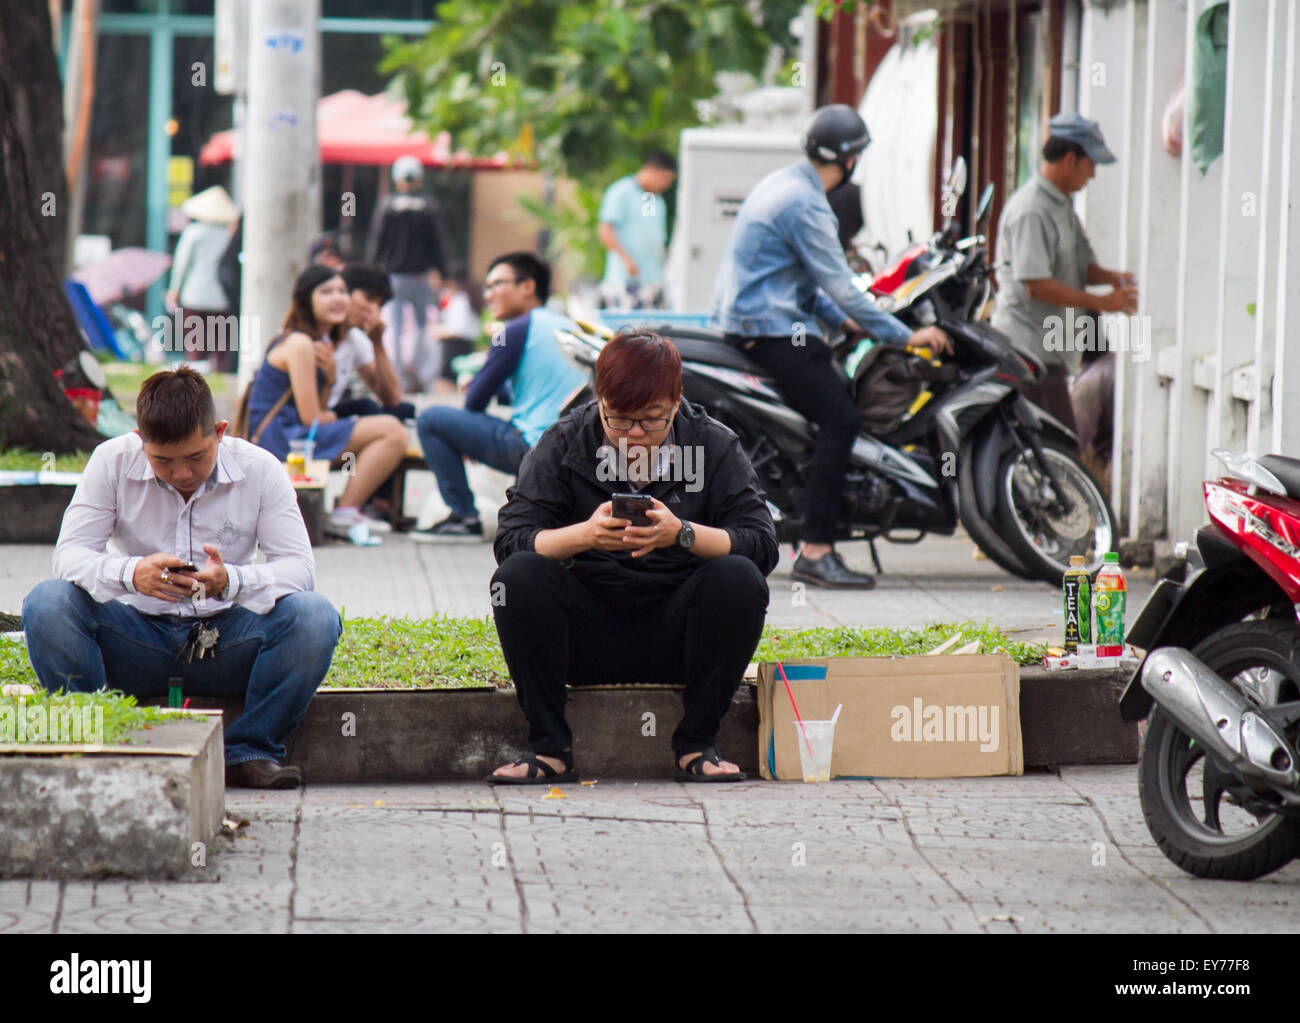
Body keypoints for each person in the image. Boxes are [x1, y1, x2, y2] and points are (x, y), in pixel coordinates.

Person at [21, 366, 341, 789]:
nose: (182, 474)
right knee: (48, 603)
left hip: (227, 643)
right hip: (134, 640)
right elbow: (69, 557)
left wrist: (231, 582)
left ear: (220, 431)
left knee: (314, 617)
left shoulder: (261, 470)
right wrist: (131, 573)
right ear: (140, 440)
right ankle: (96, 744)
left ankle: (251, 749)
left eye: (196, 457)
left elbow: (300, 569)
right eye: (163, 461)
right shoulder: (111, 461)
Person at [488, 331, 778, 784]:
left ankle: (697, 744)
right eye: (619, 421)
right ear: (599, 400)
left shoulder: (713, 444)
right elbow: (511, 540)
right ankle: (550, 749)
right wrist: (583, 536)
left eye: (652, 420)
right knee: (518, 577)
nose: (635, 436)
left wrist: (681, 534)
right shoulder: (564, 442)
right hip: (585, 635)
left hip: (681, 638)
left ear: (677, 401)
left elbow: (761, 544)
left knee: (738, 578)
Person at [711, 104, 952, 590]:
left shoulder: (784, 183)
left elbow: (804, 282)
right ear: (849, 160)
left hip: (759, 321)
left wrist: (843, 320)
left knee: (833, 397)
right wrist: (904, 336)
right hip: (770, 329)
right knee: (841, 418)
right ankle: (817, 551)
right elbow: (841, 286)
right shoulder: (807, 204)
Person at [411, 252, 585, 541]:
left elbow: (475, 402)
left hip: (531, 448)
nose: (488, 295)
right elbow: (536, 390)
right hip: (566, 451)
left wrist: (475, 386)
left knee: (431, 419)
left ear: (527, 287)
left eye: (497, 284)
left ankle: (463, 517)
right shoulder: (564, 325)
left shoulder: (513, 331)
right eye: (487, 287)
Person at [990, 112, 1138, 436]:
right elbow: (1037, 286)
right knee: (1058, 448)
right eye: (1091, 165)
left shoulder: (1060, 207)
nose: (1093, 175)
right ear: (1071, 160)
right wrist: (1103, 303)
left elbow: (1080, 267)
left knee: (1055, 447)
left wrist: (1115, 278)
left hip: (1050, 353)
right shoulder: (1032, 209)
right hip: (1026, 350)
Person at [244, 265, 408, 539]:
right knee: (390, 429)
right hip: (280, 439)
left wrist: (330, 380)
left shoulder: (320, 342)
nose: (338, 298)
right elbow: (313, 418)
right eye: (326, 292)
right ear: (307, 300)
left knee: (384, 424)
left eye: (342, 292)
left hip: (294, 434)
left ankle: (352, 509)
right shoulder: (300, 343)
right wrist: (345, 421)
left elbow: (318, 414)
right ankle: (345, 511)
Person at [368, 155, 447, 392]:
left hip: (394, 277)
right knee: (424, 325)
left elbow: (376, 241)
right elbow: (438, 243)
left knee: (395, 324)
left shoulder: (387, 205)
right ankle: (421, 374)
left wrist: (372, 273)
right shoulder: (429, 206)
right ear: (420, 178)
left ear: (396, 179)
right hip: (420, 276)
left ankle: (399, 377)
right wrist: (441, 271)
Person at [166, 185, 238, 373]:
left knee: (196, 344)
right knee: (220, 344)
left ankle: (195, 378)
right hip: (221, 298)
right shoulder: (228, 235)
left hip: (194, 296)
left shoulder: (193, 233)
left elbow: (181, 264)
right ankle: (219, 374)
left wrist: (174, 290)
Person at [330, 263, 415, 422]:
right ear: (344, 291)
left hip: (332, 415)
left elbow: (392, 399)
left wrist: (377, 344)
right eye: (369, 298)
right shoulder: (319, 332)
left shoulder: (355, 338)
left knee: (402, 411)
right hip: (314, 421)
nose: (373, 310)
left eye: (380, 305)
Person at [597, 149, 677, 309]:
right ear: (651, 170)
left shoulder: (655, 200)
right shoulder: (621, 191)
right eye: (664, 179)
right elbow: (606, 230)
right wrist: (626, 259)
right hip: (626, 281)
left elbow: (653, 233)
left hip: (653, 281)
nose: (665, 185)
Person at [428, 261, 484, 395]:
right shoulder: (471, 296)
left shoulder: (460, 299)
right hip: (465, 345)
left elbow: (458, 329)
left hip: (454, 346)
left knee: (446, 382)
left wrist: (437, 331)